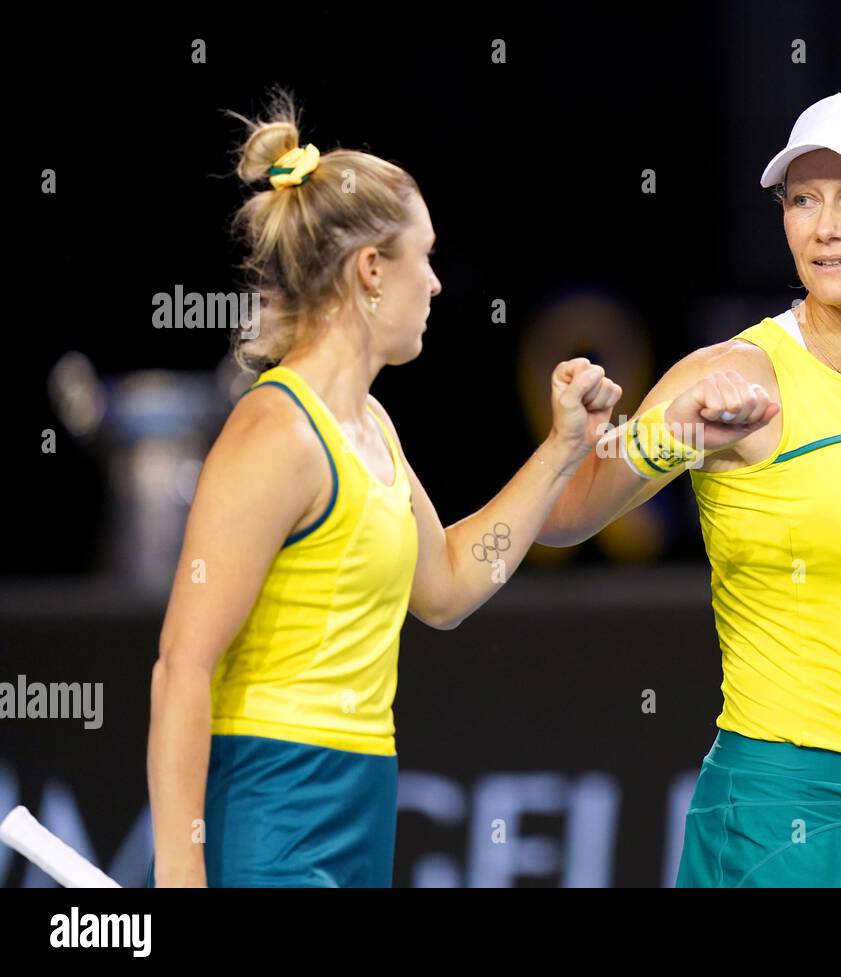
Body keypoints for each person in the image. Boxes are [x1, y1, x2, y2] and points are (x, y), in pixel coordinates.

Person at [146, 91, 620, 887]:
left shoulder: (371, 428)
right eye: (423, 256)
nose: (436, 284)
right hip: (274, 805)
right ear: (371, 269)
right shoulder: (275, 434)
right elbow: (181, 667)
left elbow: (448, 585)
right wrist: (178, 871)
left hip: (361, 805)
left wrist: (561, 449)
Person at [538, 92, 841, 887]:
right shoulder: (733, 376)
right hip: (770, 816)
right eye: (802, 200)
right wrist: (623, 437)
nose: (824, 227)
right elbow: (559, 519)